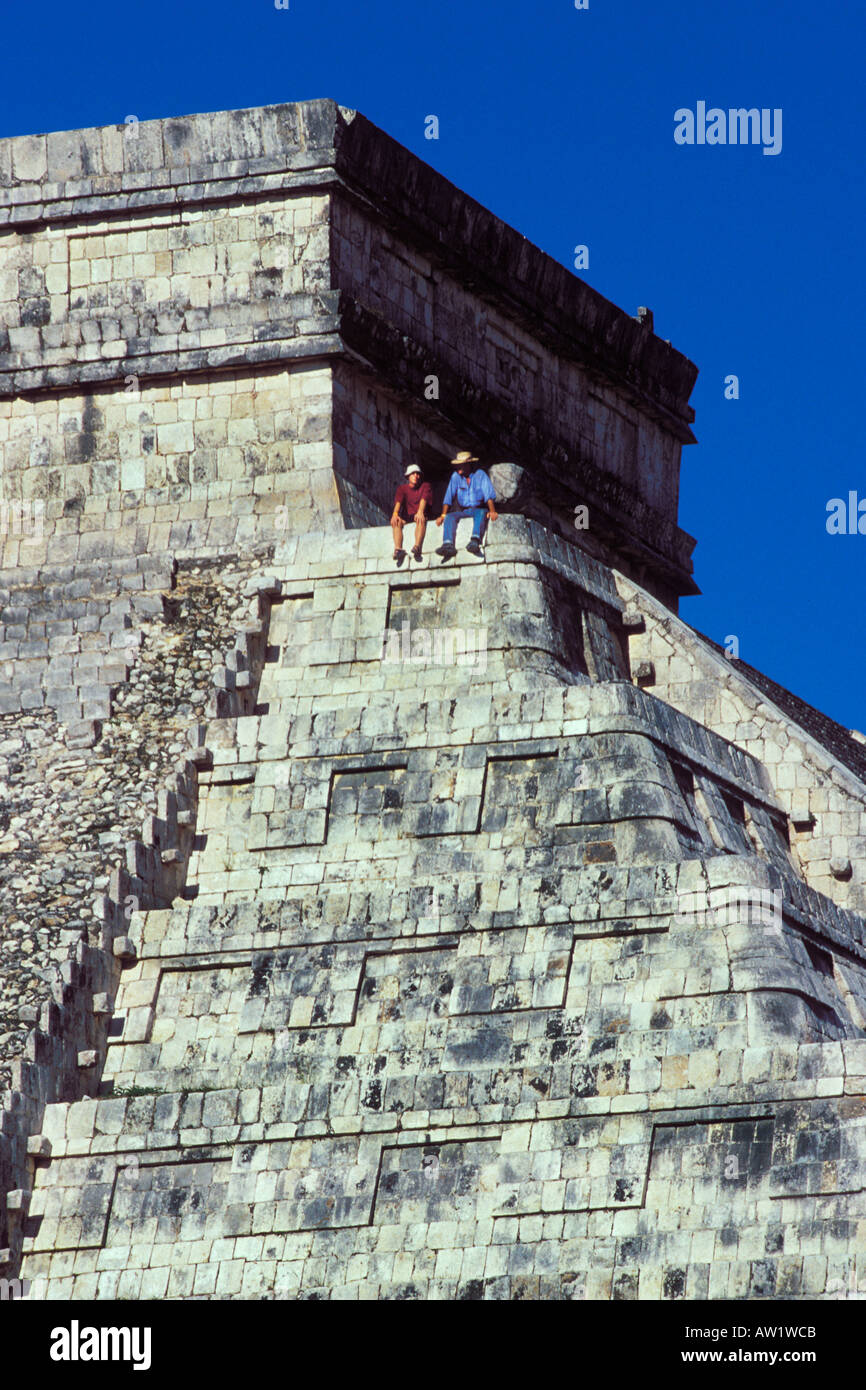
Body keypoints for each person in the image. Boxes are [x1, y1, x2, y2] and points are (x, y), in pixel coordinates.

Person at [434, 450, 498, 560]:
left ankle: (475, 540)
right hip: (464, 511)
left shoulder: (480, 474)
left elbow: (488, 495)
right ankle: (448, 544)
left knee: (482, 512)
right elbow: (448, 497)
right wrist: (443, 515)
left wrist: (492, 511)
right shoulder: (455, 477)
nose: (458, 468)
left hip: (478, 509)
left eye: (461, 465)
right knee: (450, 516)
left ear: (468, 465)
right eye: (457, 465)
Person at [391, 464, 433, 564]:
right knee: (396, 521)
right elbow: (398, 503)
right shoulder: (402, 489)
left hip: (420, 514)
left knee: (420, 519)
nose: (416, 476)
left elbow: (424, 499)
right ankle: (398, 549)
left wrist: (420, 511)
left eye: (417, 474)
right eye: (413, 474)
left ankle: (417, 546)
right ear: (408, 476)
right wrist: (395, 514)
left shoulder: (425, 486)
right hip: (408, 516)